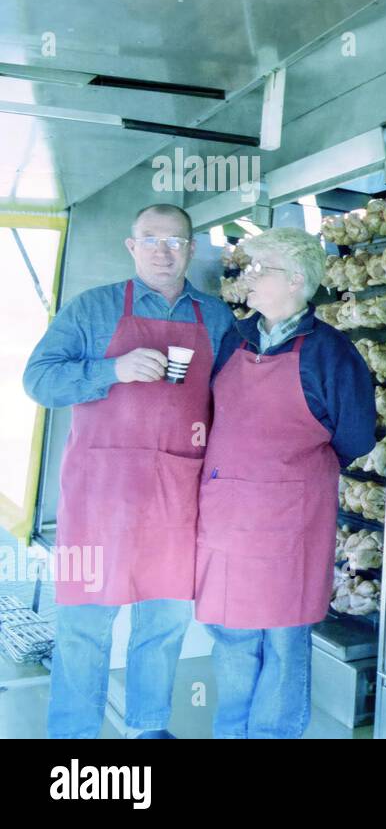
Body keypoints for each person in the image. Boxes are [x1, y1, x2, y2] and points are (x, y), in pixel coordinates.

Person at [24, 203, 235, 738]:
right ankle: (72, 739)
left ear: (191, 249)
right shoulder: (92, 309)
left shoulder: (215, 317)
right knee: (82, 627)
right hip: (98, 500)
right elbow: (39, 380)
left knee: (164, 624)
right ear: (131, 246)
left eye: (176, 241)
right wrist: (111, 370)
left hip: (177, 497)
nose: (164, 251)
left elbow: (235, 401)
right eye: (152, 239)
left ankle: (148, 727)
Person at [196, 227, 375, 738]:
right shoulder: (235, 336)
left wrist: (289, 469)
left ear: (296, 280)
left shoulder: (332, 353)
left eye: (260, 270)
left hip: (289, 521)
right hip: (227, 514)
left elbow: (356, 436)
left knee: (282, 639)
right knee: (230, 637)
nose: (248, 279)